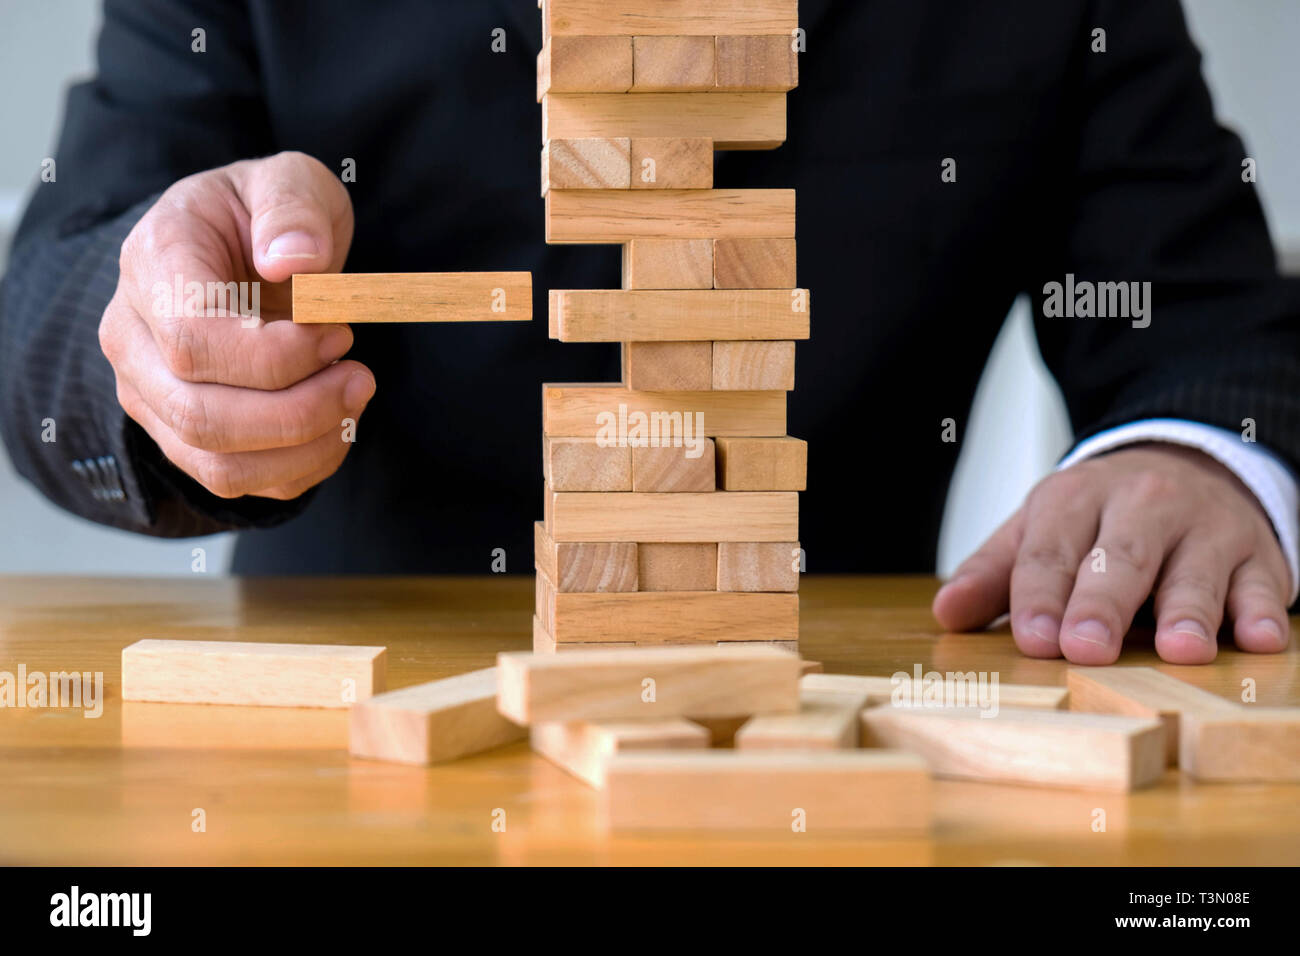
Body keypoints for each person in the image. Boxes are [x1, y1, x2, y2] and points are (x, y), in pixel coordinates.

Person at [2, 0, 1297, 666]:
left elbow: (1214, 320)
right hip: (353, 746)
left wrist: (1198, 458)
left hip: (824, 736)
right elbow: (45, 311)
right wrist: (156, 344)